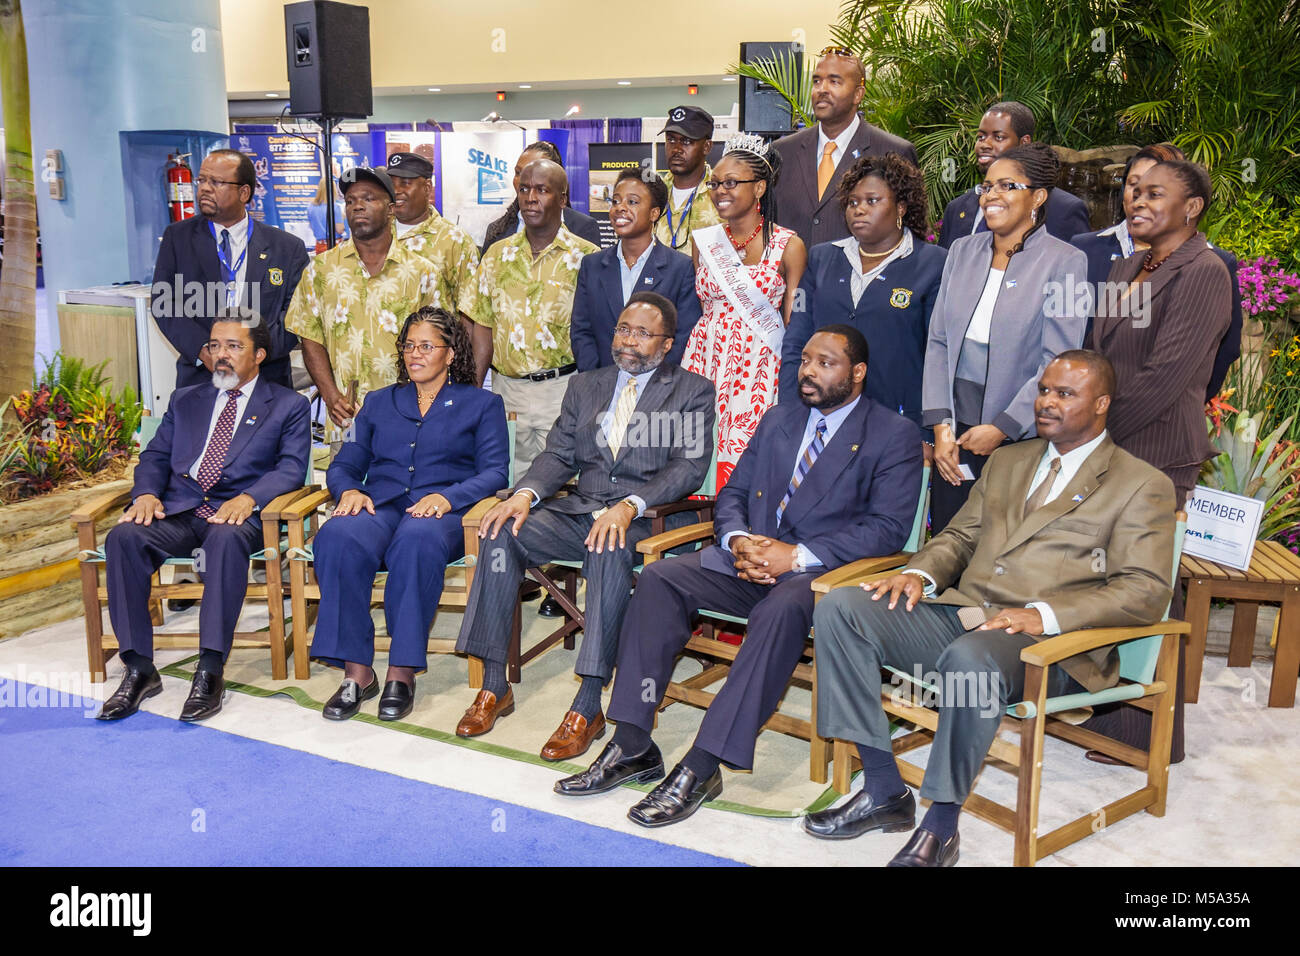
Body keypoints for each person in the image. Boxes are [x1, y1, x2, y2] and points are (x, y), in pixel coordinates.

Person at [807, 352, 1175, 866]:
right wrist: (920, 573)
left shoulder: (1139, 483)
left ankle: (941, 825)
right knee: (842, 607)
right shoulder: (1010, 460)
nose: (1046, 401)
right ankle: (886, 791)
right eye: (1044, 389)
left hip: (1052, 649)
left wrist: (1043, 615)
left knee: (972, 659)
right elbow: (960, 536)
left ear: (1102, 405)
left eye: (1064, 394)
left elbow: (1145, 590)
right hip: (968, 615)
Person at [554, 326, 921, 824]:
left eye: (826, 363)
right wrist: (737, 540)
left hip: (821, 577)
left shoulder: (891, 434)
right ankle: (633, 741)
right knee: (660, 579)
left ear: (858, 373)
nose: (809, 371)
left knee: (780, 611)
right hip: (747, 561)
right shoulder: (780, 419)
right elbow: (733, 492)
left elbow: (888, 529)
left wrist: (795, 557)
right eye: (806, 360)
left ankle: (703, 763)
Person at [454, 293, 715, 761]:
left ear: (667, 344)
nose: (628, 341)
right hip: (581, 508)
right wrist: (524, 494)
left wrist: (631, 505)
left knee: (607, 546)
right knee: (499, 533)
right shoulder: (587, 385)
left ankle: (588, 701)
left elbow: (688, 467)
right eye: (622, 329)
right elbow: (557, 454)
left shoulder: (692, 390)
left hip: (644, 520)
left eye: (642, 333)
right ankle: (494, 685)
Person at [1084, 159, 1233, 767]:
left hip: (1156, 454)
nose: (1136, 201)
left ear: (1192, 206)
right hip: (1111, 445)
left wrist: (1093, 433)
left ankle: (1151, 738)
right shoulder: (1128, 265)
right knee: (1108, 579)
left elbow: (1167, 375)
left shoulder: (1204, 272)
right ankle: (1111, 710)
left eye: (1154, 193)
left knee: (1148, 586)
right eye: (1132, 191)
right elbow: (1101, 354)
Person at [96, 317, 311, 723]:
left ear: (259, 355)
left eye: (233, 346)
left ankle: (210, 668)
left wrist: (249, 498)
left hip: (237, 513)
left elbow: (291, 469)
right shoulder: (186, 400)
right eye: (215, 346)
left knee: (223, 540)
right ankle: (139, 667)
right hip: (180, 509)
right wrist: (144, 494)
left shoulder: (288, 405)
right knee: (124, 537)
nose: (221, 355)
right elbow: (157, 456)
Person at [309, 308, 508, 722]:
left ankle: (401, 671)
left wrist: (449, 498)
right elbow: (345, 463)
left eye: (427, 346)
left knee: (416, 541)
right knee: (337, 536)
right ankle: (357, 672)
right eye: (409, 345)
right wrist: (348, 490)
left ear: (451, 354)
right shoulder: (379, 402)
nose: (415, 354)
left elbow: (495, 473)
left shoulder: (482, 404)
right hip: (381, 505)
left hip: (443, 514)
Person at [922, 142, 1090, 533]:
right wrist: (941, 428)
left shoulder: (1066, 261)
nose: (991, 195)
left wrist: (1003, 426)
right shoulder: (961, 251)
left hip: (1021, 436)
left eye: (1007, 186)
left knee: (1002, 551)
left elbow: (1058, 362)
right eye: (987, 186)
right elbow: (938, 343)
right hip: (955, 435)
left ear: (1039, 196)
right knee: (950, 544)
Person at [780, 152, 946, 436]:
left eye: (872, 201)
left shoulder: (933, 263)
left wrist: (929, 432)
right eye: (853, 202)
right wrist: (790, 410)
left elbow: (937, 354)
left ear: (901, 207)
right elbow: (796, 340)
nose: (859, 209)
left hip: (898, 422)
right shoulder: (821, 258)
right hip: (822, 417)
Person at [1071, 143, 1242, 399]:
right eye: (1133, 185)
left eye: (1156, 192)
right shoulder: (1083, 249)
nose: (1139, 198)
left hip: (1161, 417)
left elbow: (1223, 351)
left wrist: (1185, 405)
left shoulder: (1213, 263)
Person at [684, 133, 807, 488]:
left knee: (750, 470)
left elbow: (793, 316)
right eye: (715, 183)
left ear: (759, 188)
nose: (720, 190)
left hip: (760, 368)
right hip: (705, 362)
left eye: (732, 183)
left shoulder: (789, 245)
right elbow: (704, 308)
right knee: (698, 461)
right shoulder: (703, 243)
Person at [284, 166, 440, 446]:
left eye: (369, 198)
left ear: (391, 209)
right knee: (347, 487)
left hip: (408, 416)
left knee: (409, 488)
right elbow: (310, 337)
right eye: (351, 200)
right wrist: (331, 396)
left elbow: (438, 345)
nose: (357, 206)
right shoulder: (320, 270)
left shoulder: (421, 272)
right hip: (346, 417)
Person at [473, 158, 598, 479]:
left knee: (563, 489)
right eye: (525, 189)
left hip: (561, 391)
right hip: (505, 394)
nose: (530, 198)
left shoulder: (587, 257)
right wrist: (473, 395)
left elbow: (597, 331)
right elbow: (482, 329)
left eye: (542, 190)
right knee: (507, 487)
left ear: (562, 198)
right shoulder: (496, 256)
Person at [152, 148, 308, 390]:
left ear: (243, 192)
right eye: (201, 180)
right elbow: (164, 304)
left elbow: (296, 316)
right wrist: (205, 351)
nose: (204, 188)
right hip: (201, 379)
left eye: (216, 182)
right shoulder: (178, 238)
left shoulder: (287, 248)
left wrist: (253, 356)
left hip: (267, 381)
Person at [770, 47, 918, 248]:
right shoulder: (782, 152)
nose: (822, 89)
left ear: (858, 94)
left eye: (834, 81)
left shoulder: (892, 151)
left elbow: (911, 232)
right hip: (794, 277)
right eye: (816, 81)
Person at [571, 168, 701, 370]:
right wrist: (595, 382)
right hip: (601, 389)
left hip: (659, 390)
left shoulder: (680, 268)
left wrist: (655, 387)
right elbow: (582, 332)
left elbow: (683, 337)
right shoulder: (592, 265)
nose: (620, 208)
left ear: (654, 213)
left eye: (632, 202)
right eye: (615, 201)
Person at [385, 151, 486, 383]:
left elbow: (471, 315)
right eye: (391, 184)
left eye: (406, 183)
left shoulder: (454, 240)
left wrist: (464, 378)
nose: (396, 190)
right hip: (381, 374)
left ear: (427, 188)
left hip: (433, 374)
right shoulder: (376, 234)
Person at [937, 102, 1090, 249]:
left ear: (1024, 142)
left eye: (998, 137)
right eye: (981, 137)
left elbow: (1074, 270)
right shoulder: (957, 209)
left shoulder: (1063, 209)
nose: (984, 144)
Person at [481, 141, 604, 253]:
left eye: (536, 173)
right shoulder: (497, 231)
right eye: (519, 173)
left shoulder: (583, 227)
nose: (524, 180)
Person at [653, 105, 721, 257]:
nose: (676, 149)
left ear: (707, 146)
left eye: (686, 141)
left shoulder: (722, 194)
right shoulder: (653, 193)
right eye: (671, 140)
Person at [307, 171, 348, 250]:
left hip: (319, 245)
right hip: (334, 246)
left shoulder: (311, 206)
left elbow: (312, 226)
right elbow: (339, 230)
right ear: (333, 190)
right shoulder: (335, 207)